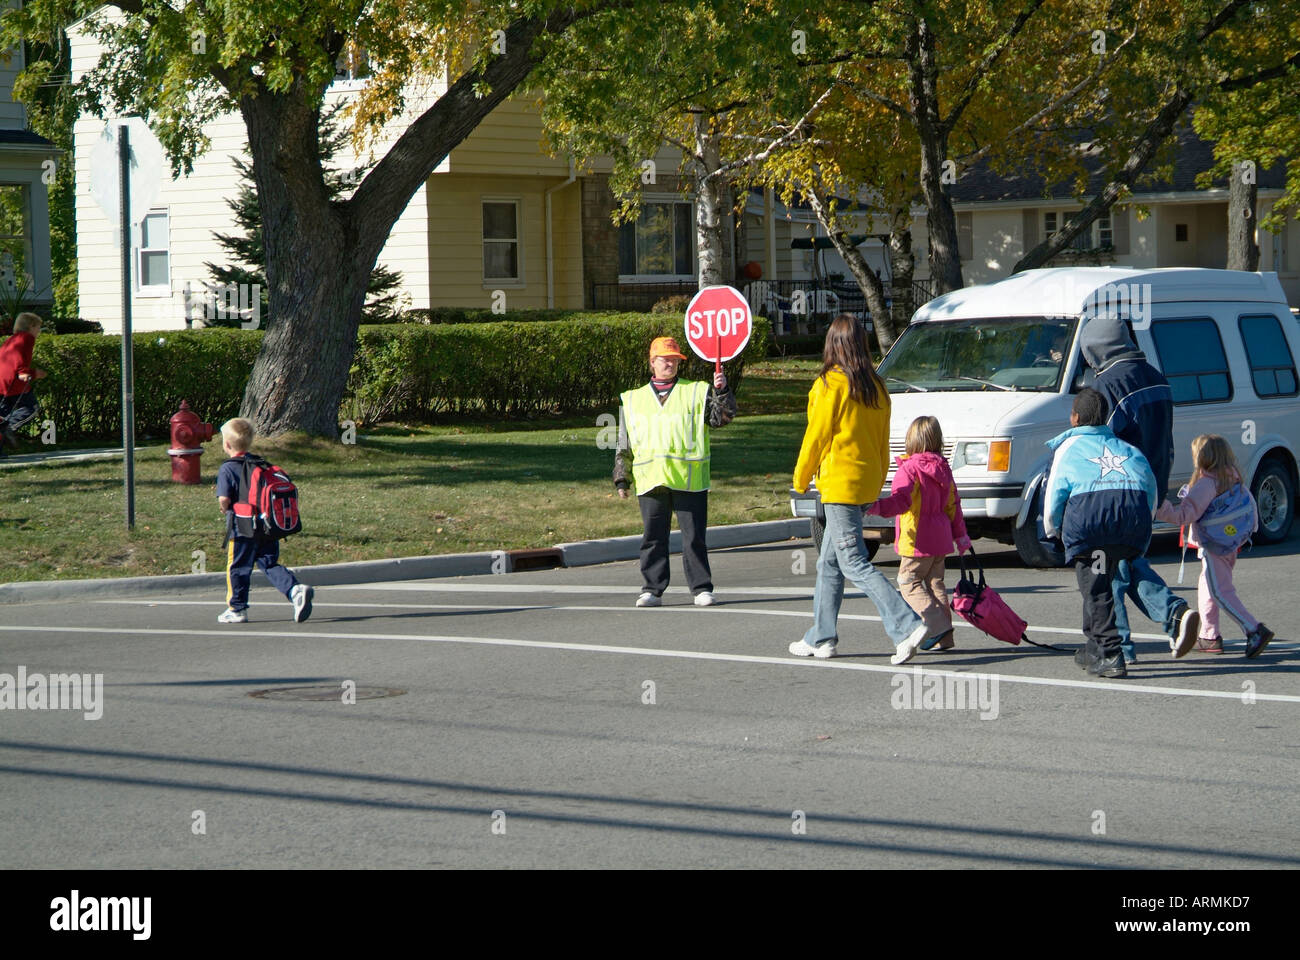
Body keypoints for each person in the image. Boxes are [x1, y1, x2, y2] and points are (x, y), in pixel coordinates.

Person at [789, 315, 928, 663]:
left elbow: (816, 436)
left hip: (839, 484)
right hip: (866, 483)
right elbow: (883, 442)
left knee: (852, 561)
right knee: (829, 562)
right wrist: (877, 482)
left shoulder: (829, 384)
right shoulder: (877, 386)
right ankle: (821, 637)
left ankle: (906, 625)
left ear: (832, 344)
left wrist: (800, 478)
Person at [1079, 315, 1200, 662]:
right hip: (1152, 484)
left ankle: (1120, 647)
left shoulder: (1107, 385)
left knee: (1109, 568)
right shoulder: (1157, 379)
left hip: (1113, 490)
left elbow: (1098, 441)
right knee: (1126, 560)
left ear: (1096, 347)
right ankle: (1174, 616)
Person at [1044, 388, 1158, 679]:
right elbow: (1150, 489)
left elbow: (1055, 493)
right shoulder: (1127, 448)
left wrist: (1052, 528)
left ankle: (1110, 652)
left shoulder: (1069, 448)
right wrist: (1145, 527)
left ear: (1075, 417)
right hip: (1131, 521)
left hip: (1092, 522)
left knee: (1096, 588)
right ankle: (1093, 646)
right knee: (1101, 581)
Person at [614, 336, 736, 607]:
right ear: (652, 363)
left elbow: (722, 418)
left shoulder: (696, 391)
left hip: (689, 478)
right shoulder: (633, 399)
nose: (669, 363)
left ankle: (701, 588)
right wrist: (621, 477)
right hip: (651, 479)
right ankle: (652, 589)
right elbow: (625, 441)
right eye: (664, 359)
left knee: (694, 538)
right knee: (653, 538)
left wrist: (723, 390)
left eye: (674, 359)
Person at [1155, 434, 1273, 658]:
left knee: (1221, 592)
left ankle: (1254, 629)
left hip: (1213, 545)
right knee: (1209, 589)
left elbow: (1184, 515)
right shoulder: (1232, 477)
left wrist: (1158, 506)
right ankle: (1210, 636)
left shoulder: (1207, 483)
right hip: (1230, 542)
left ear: (1202, 457)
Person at [867, 415, 972, 651]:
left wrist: (874, 506)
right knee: (935, 584)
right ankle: (945, 638)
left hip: (917, 539)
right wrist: (960, 536)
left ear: (910, 440)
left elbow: (900, 503)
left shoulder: (909, 469)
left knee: (908, 582)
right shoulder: (944, 469)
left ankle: (936, 626)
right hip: (941, 537)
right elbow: (953, 504)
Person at [216, 417, 313, 624]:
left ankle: (237, 609)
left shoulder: (227, 468)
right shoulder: (260, 463)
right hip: (267, 525)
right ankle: (295, 590)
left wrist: (224, 509)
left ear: (226, 444)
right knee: (269, 563)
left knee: (238, 567)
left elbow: (224, 499)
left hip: (242, 527)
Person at [0, 312, 47, 457]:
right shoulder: (27, 338)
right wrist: (25, 372)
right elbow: (20, 357)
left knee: (2, 416)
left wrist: (33, 372)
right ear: (31, 326)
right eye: (38, 327)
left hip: (2, 382)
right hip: (15, 381)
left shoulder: (11, 339)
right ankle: (9, 428)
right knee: (31, 408)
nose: (39, 331)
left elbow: (10, 358)